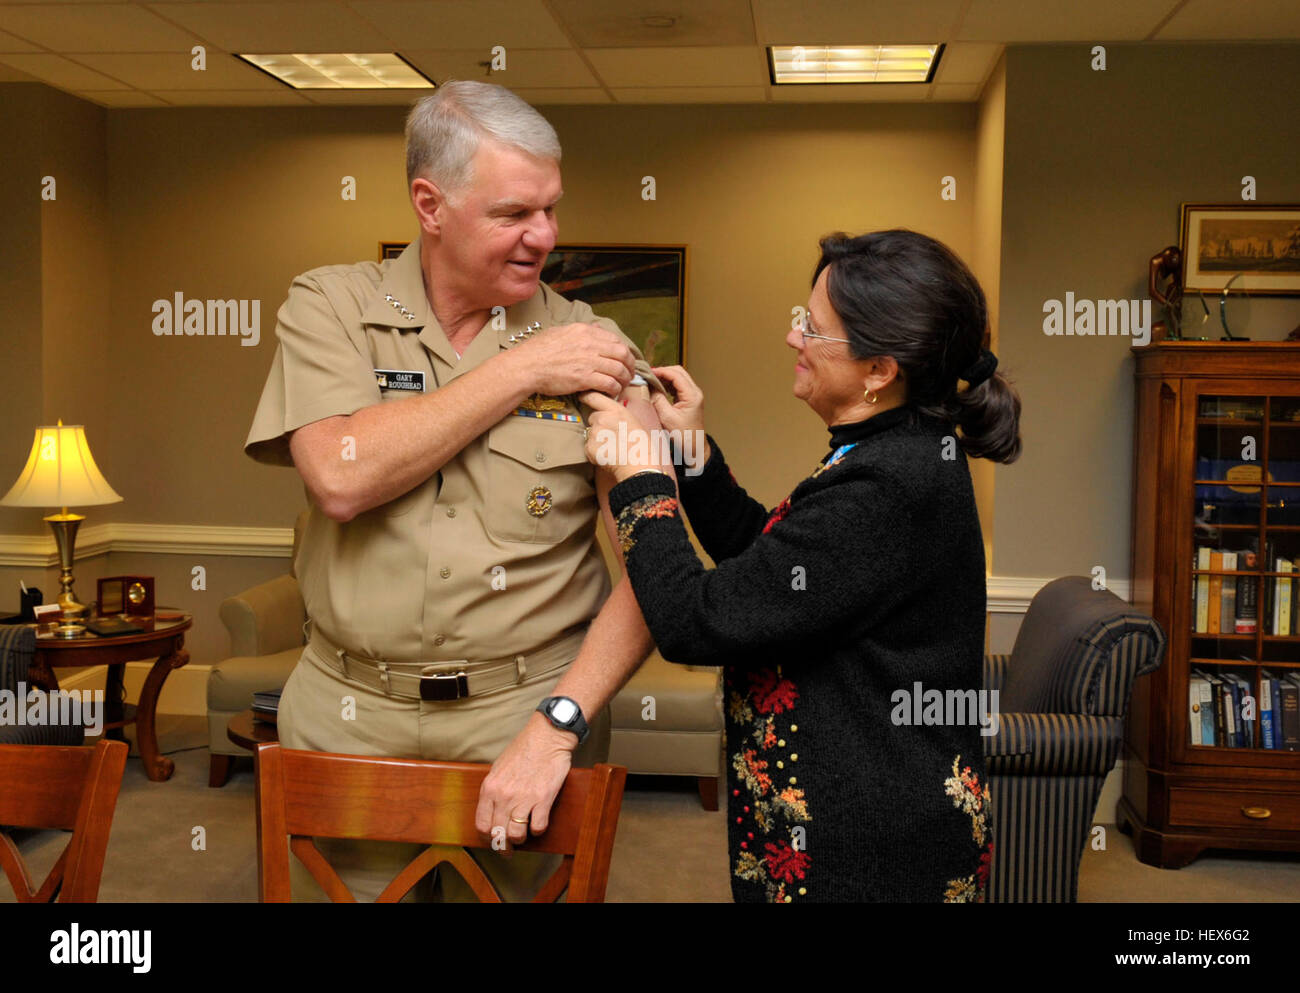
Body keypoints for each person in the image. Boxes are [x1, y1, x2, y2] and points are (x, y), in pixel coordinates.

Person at [243, 80, 668, 901]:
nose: (543, 236)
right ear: (429, 205)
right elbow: (339, 475)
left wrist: (560, 724)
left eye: (551, 209)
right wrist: (525, 368)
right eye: (514, 213)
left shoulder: (597, 344)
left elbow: (656, 564)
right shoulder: (330, 306)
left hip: (526, 715)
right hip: (347, 715)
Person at [582, 229, 1022, 902]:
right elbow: (779, 567)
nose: (794, 338)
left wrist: (641, 475)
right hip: (858, 819)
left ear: (880, 370)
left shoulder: (889, 488)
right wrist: (690, 450)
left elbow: (697, 620)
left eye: (814, 330)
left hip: (863, 851)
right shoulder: (888, 447)